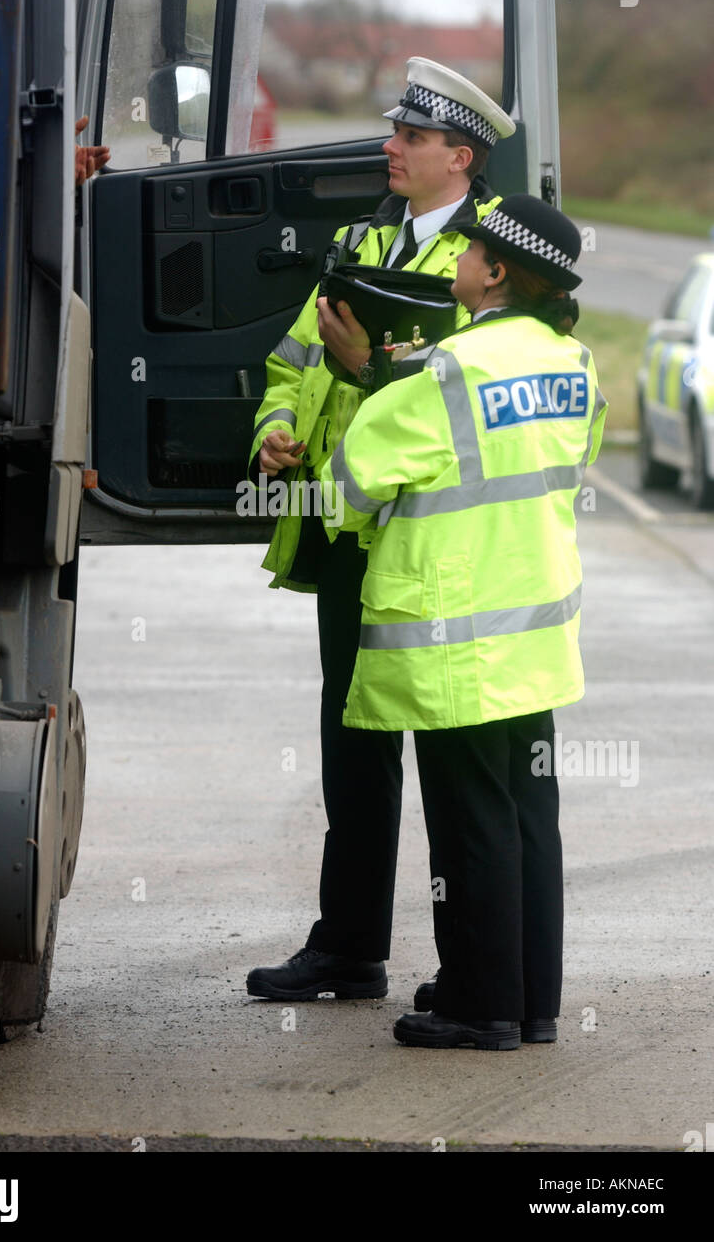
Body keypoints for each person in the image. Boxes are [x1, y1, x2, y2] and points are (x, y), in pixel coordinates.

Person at [246, 60, 515, 1001]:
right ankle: (349, 945)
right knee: (351, 749)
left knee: (443, 762)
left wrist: (363, 372)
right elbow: (289, 361)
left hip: (421, 542)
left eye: (411, 137)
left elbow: (458, 404)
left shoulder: (485, 265)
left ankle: (468, 973)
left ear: (460, 157)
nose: (389, 147)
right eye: (393, 131)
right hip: (339, 526)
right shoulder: (360, 236)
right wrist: (272, 431)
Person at [315, 194, 607, 1048]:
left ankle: (481, 1006)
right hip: (534, 629)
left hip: (457, 631)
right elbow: (571, 459)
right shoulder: (575, 360)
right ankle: (528, 1001)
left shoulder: (448, 369)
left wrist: (364, 382)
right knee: (525, 817)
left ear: (496, 272)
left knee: (470, 820)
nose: (459, 256)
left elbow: (347, 485)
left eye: (472, 247)